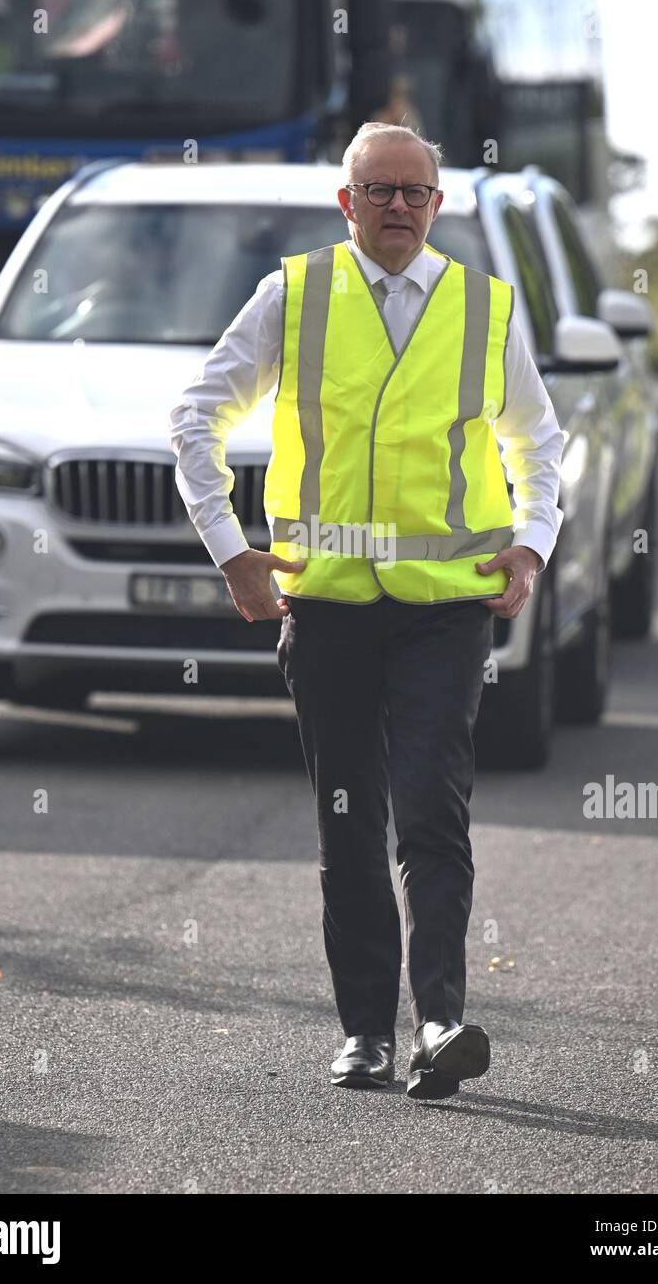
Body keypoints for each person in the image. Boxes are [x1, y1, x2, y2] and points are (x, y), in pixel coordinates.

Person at [170, 122, 564, 1100]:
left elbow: (537, 443)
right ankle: (364, 1034)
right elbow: (194, 417)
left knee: (432, 806)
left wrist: (531, 539)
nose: (397, 206)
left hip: (443, 609)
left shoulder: (482, 308)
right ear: (345, 203)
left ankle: (437, 1022)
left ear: (436, 205)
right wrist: (233, 552)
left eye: (414, 192)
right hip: (330, 607)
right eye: (377, 190)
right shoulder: (293, 295)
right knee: (347, 818)